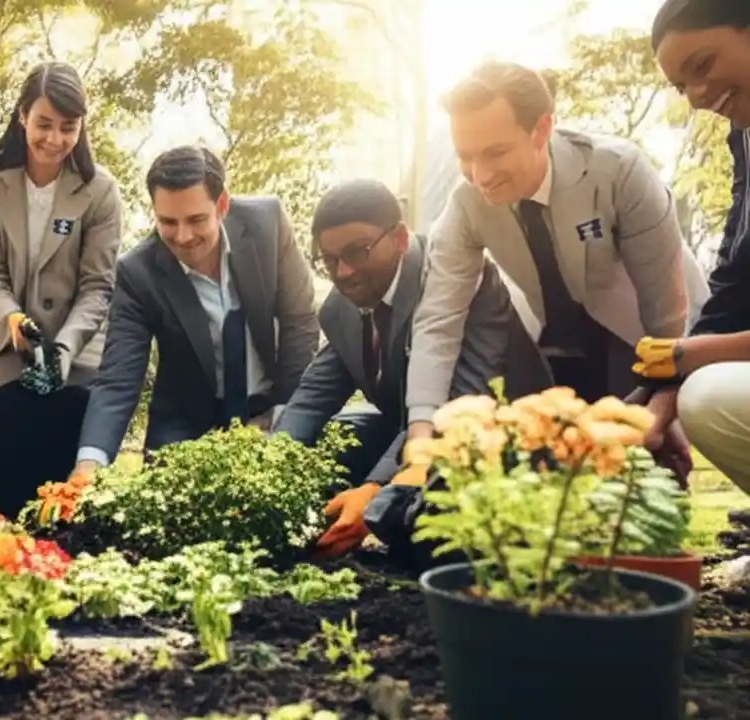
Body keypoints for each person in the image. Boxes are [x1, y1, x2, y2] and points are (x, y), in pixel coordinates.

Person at [406, 60, 710, 482]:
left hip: (646, 332)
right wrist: (421, 431)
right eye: (465, 157)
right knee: (565, 480)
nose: (481, 175)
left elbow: (665, 308)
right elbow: (439, 320)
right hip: (557, 339)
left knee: (645, 469)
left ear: (541, 129)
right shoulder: (465, 205)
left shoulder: (618, 171)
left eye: (496, 152)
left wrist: (664, 405)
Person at [274, 180, 552, 557]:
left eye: (358, 251)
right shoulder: (340, 308)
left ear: (401, 238)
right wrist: (270, 465)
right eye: (329, 258)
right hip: (409, 432)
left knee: (427, 518)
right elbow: (312, 398)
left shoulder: (460, 280)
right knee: (338, 437)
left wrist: (375, 490)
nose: (343, 272)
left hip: (493, 441)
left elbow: (458, 404)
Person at [72, 145, 318, 476]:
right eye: (168, 222)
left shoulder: (267, 224)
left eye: (197, 219)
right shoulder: (136, 273)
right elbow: (118, 379)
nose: (183, 236)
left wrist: (286, 416)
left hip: (270, 408)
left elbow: (299, 322)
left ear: (222, 205)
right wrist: (90, 463)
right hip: (183, 428)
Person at [0, 61, 124, 515]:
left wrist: (63, 350)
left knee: (64, 491)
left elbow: (99, 287)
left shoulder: (100, 190)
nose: (54, 140)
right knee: (2, 463)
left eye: (68, 127)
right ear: (22, 116)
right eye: (44, 124)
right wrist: (11, 317)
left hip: (77, 359)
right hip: (10, 354)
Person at [646, 0, 750, 508]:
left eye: (703, 65)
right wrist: (660, 398)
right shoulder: (746, 138)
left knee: (711, 395)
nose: (697, 96)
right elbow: (734, 282)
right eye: (682, 85)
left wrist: (688, 355)